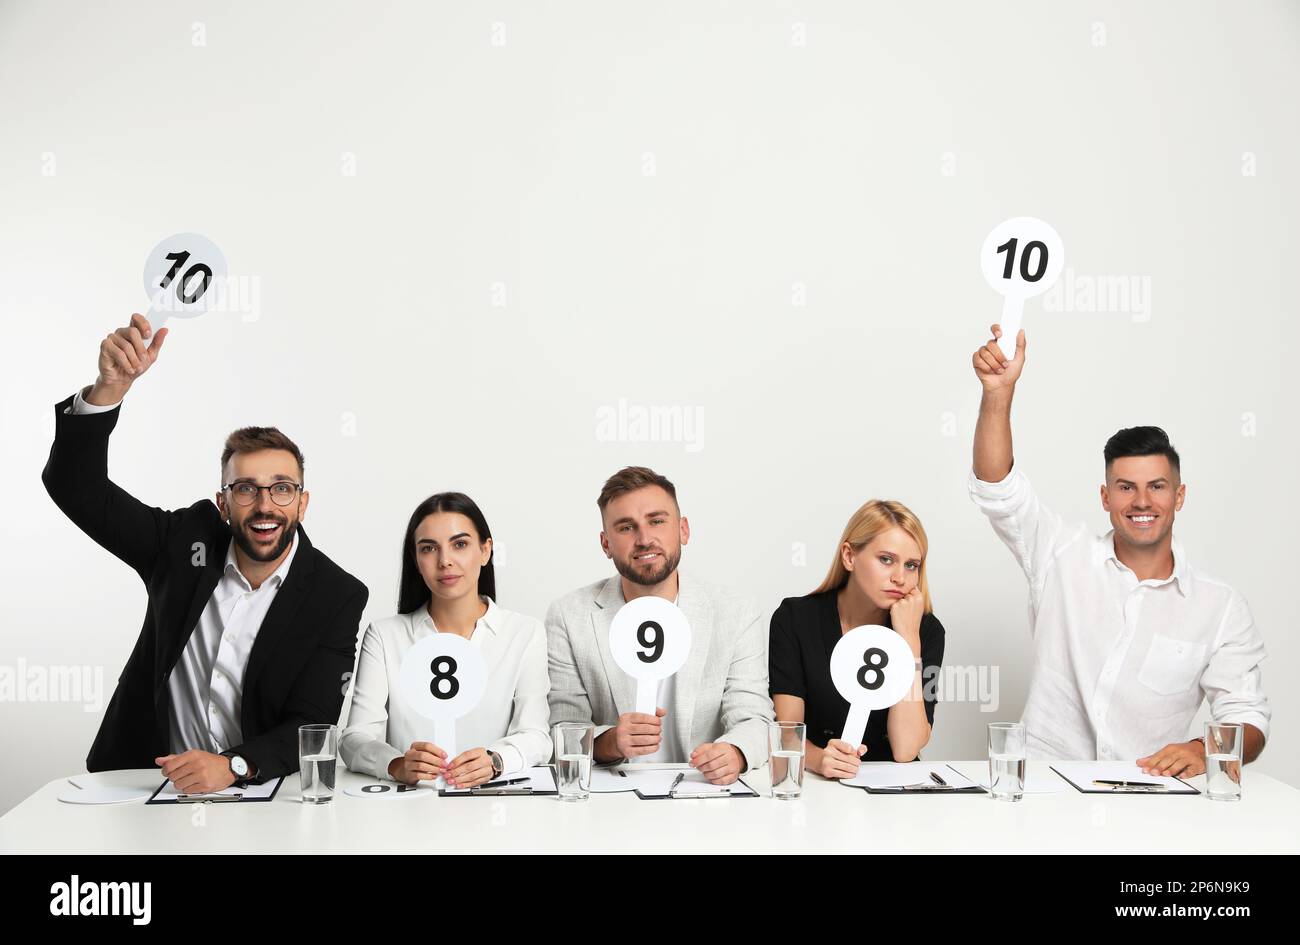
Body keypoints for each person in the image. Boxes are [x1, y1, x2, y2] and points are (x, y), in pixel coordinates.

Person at [42, 313, 368, 793]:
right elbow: (76, 487)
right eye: (245, 489)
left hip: (257, 791)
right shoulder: (182, 542)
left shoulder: (335, 594)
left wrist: (235, 766)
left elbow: (312, 722)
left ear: (302, 502)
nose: (264, 506)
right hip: (142, 781)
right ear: (222, 502)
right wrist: (108, 389)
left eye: (281, 489)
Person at [968, 323, 1269, 775]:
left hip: (1146, 797)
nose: (1142, 501)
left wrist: (1199, 748)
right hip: (1039, 789)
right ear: (1106, 497)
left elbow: (1247, 716)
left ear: (1179, 496)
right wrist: (997, 393)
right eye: (1126, 487)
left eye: (1157, 487)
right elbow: (998, 490)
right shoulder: (1060, 553)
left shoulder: (1220, 606)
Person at [546, 466, 774, 785]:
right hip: (610, 798)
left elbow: (755, 717)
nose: (644, 539)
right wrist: (609, 741)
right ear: (606, 543)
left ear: (683, 530)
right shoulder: (570, 616)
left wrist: (734, 752)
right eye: (626, 527)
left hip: (702, 793)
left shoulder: (735, 613)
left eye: (657, 521)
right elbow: (561, 729)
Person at [340, 493, 550, 788]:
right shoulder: (385, 636)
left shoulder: (525, 633)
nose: (445, 561)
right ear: (416, 559)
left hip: (494, 805)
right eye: (428, 548)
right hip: (409, 809)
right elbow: (354, 738)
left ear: (486, 550)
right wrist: (396, 764)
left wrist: (496, 760)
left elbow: (538, 735)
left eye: (460, 544)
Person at [770, 500, 945, 778]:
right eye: (886, 560)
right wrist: (817, 759)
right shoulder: (795, 619)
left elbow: (905, 750)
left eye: (911, 565)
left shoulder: (927, 631)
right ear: (849, 556)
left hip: (892, 788)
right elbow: (786, 733)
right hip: (818, 783)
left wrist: (909, 639)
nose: (900, 577)